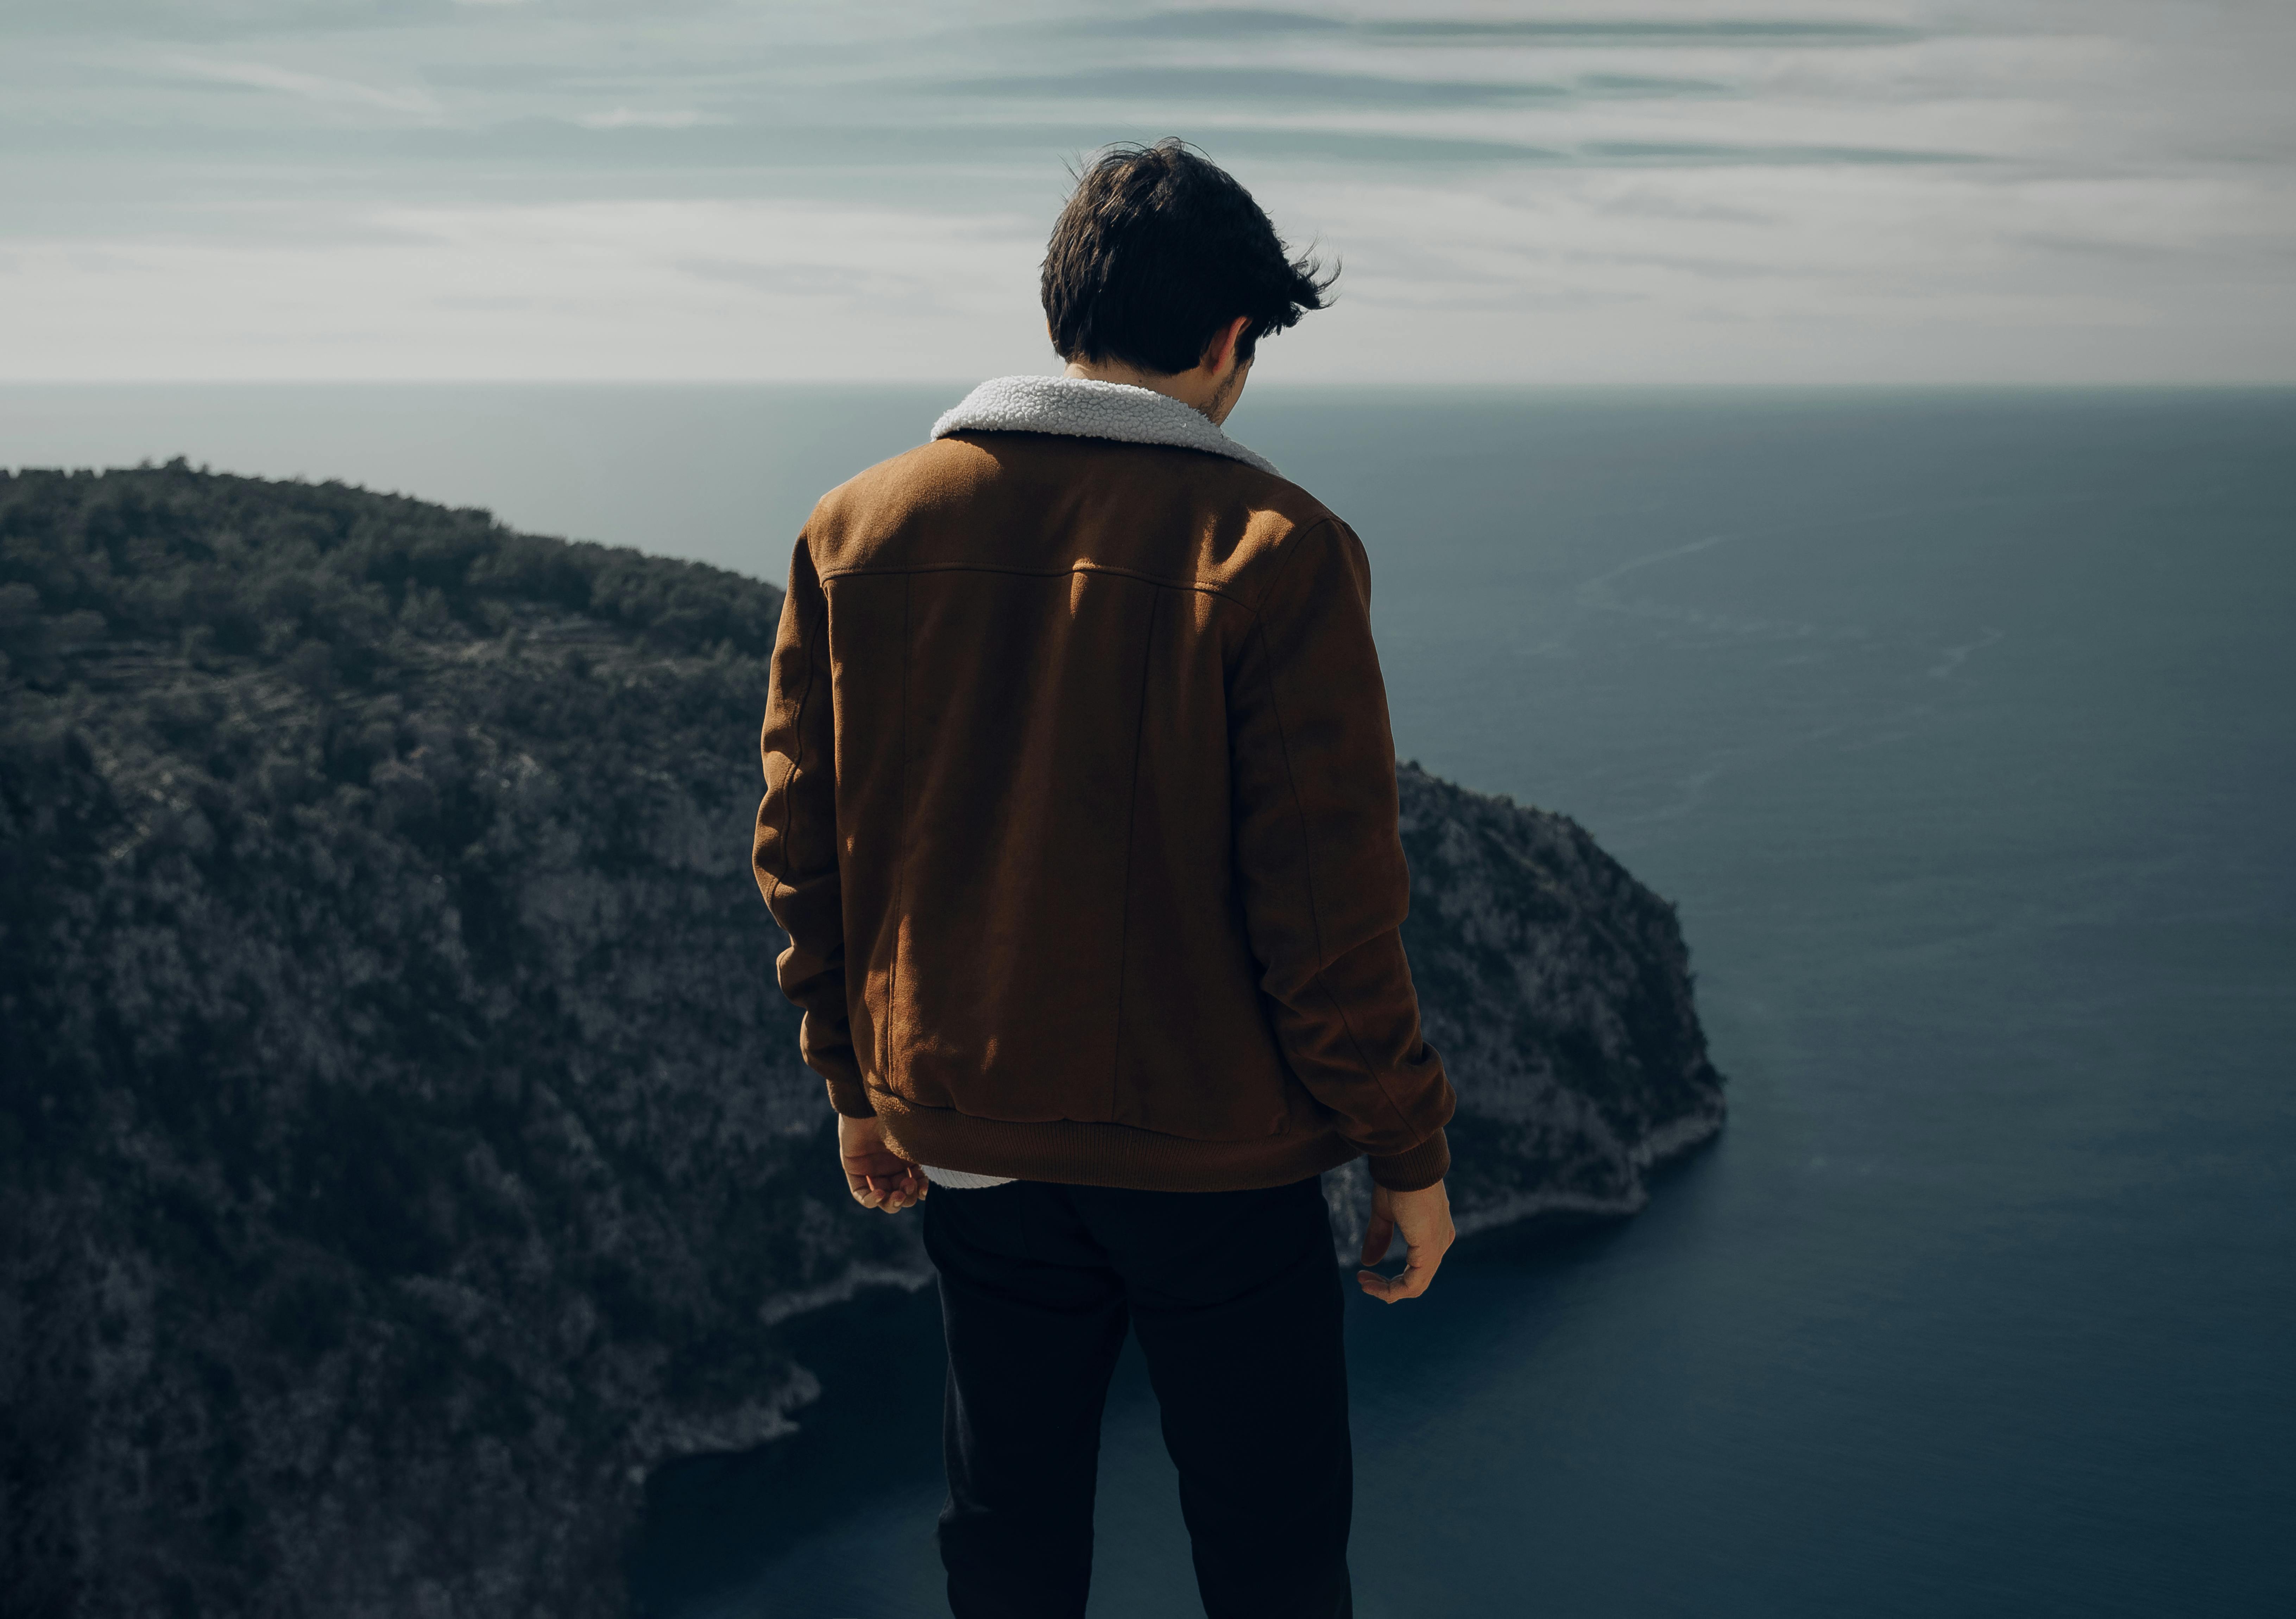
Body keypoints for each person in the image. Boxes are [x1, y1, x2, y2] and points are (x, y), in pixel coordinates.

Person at [752, 138, 1457, 1619]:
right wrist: (1406, 1152)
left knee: (1004, 1533)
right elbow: (1325, 913)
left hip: (969, 1133)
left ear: (1058, 311)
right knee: (1271, 1557)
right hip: (1216, 1160)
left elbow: (806, 851)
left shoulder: (854, 528)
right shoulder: (1278, 550)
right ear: (1230, 340)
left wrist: (852, 1082)